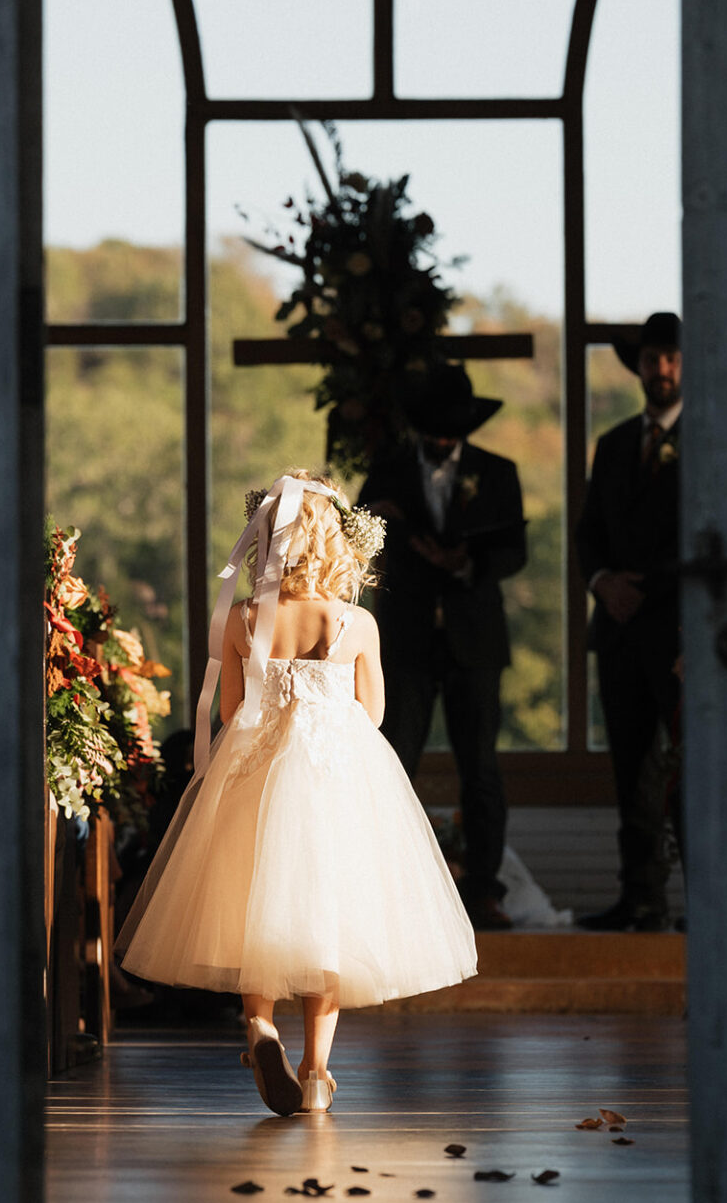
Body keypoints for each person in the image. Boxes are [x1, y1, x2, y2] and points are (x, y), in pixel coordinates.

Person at [115, 471, 477, 1116]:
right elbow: (375, 712)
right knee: (329, 919)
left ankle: (259, 1027)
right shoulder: (356, 623)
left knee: (255, 906)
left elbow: (230, 709)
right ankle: (315, 1072)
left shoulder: (245, 617)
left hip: (254, 772)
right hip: (336, 776)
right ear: (336, 542)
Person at [359, 365, 527, 931]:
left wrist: (468, 564)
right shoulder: (387, 469)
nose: (441, 438)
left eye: (450, 428)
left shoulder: (497, 473)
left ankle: (484, 891)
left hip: (473, 639)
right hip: (405, 639)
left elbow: (514, 549)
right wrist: (392, 529)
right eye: (432, 428)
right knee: (394, 761)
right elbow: (357, 538)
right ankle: (386, 886)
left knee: (479, 766)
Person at [574, 311, 683, 932]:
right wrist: (602, 584)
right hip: (617, 634)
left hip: (676, 633)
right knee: (629, 766)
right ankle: (638, 898)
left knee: (687, 769)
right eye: (650, 358)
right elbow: (589, 534)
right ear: (637, 365)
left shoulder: (708, 438)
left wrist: (649, 587)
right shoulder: (614, 444)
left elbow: (707, 534)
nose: (660, 369)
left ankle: (703, 903)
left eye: (669, 358)